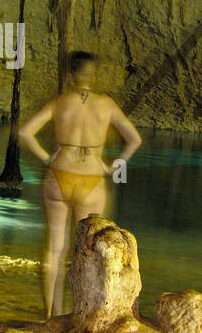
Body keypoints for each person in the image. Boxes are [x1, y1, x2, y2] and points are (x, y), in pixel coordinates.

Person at [18, 51, 142, 318]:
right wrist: (115, 165)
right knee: (89, 249)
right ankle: (82, 315)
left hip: (59, 173)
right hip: (92, 176)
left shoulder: (59, 103)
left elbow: (25, 132)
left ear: (70, 75)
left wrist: (48, 157)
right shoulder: (106, 105)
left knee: (54, 247)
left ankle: (51, 314)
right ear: (93, 76)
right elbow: (134, 139)